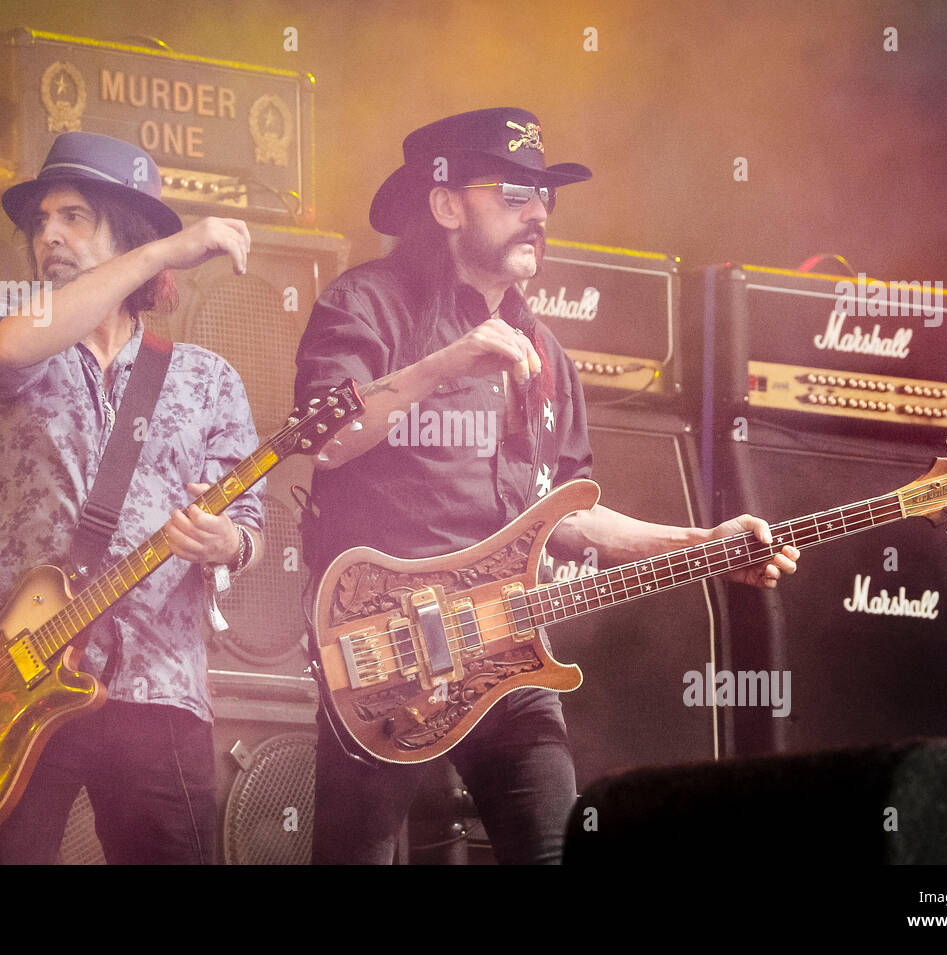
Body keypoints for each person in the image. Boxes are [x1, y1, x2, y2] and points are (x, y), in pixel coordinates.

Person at [293, 108, 800, 864]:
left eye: (545, 196)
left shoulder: (547, 354)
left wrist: (705, 544)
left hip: (509, 650)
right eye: (514, 192)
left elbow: (564, 514)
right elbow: (324, 442)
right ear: (445, 204)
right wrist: (441, 367)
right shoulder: (365, 302)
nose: (538, 213)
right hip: (385, 649)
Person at [0, 132, 264, 864]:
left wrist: (227, 543)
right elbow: (13, 350)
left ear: (128, 230)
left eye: (74, 217)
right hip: (8, 677)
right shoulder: (7, 326)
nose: (48, 235)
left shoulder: (207, 378)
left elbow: (248, 524)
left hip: (157, 685)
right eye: (41, 221)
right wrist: (163, 252)